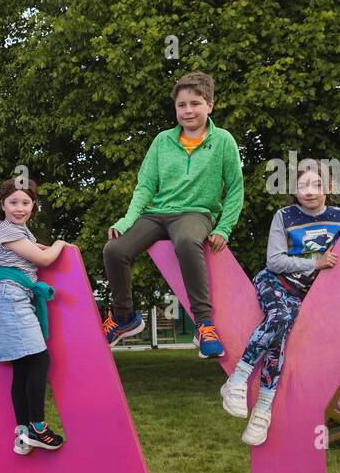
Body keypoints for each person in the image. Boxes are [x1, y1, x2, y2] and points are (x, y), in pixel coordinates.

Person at [102, 71, 245, 358]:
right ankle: (125, 317)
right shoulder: (162, 141)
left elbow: (235, 191)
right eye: (182, 105)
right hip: (157, 214)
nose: (188, 110)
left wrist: (223, 229)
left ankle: (203, 325)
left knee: (186, 242)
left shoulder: (223, 141)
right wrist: (127, 221)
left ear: (210, 105)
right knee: (114, 250)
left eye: (195, 103)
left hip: (195, 214)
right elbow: (145, 186)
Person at [219, 165, 340, 444]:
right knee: (281, 315)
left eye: (316, 185)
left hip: (302, 294)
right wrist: (314, 262)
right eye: (303, 186)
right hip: (274, 282)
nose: (309, 191)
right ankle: (238, 379)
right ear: (294, 191)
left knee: (279, 342)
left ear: (328, 188)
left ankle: (262, 410)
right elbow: (274, 260)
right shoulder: (285, 216)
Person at [0, 178, 67, 453]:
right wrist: (61, 243)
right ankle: (37, 428)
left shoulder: (21, 231)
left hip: (12, 300)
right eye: (13, 202)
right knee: (39, 359)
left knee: (24, 367)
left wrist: (47, 247)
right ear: (2, 205)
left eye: (25, 202)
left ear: (33, 205)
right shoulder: (5, 230)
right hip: (9, 301)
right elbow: (45, 258)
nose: (20, 208)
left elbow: (36, 250)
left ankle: (24, 432)